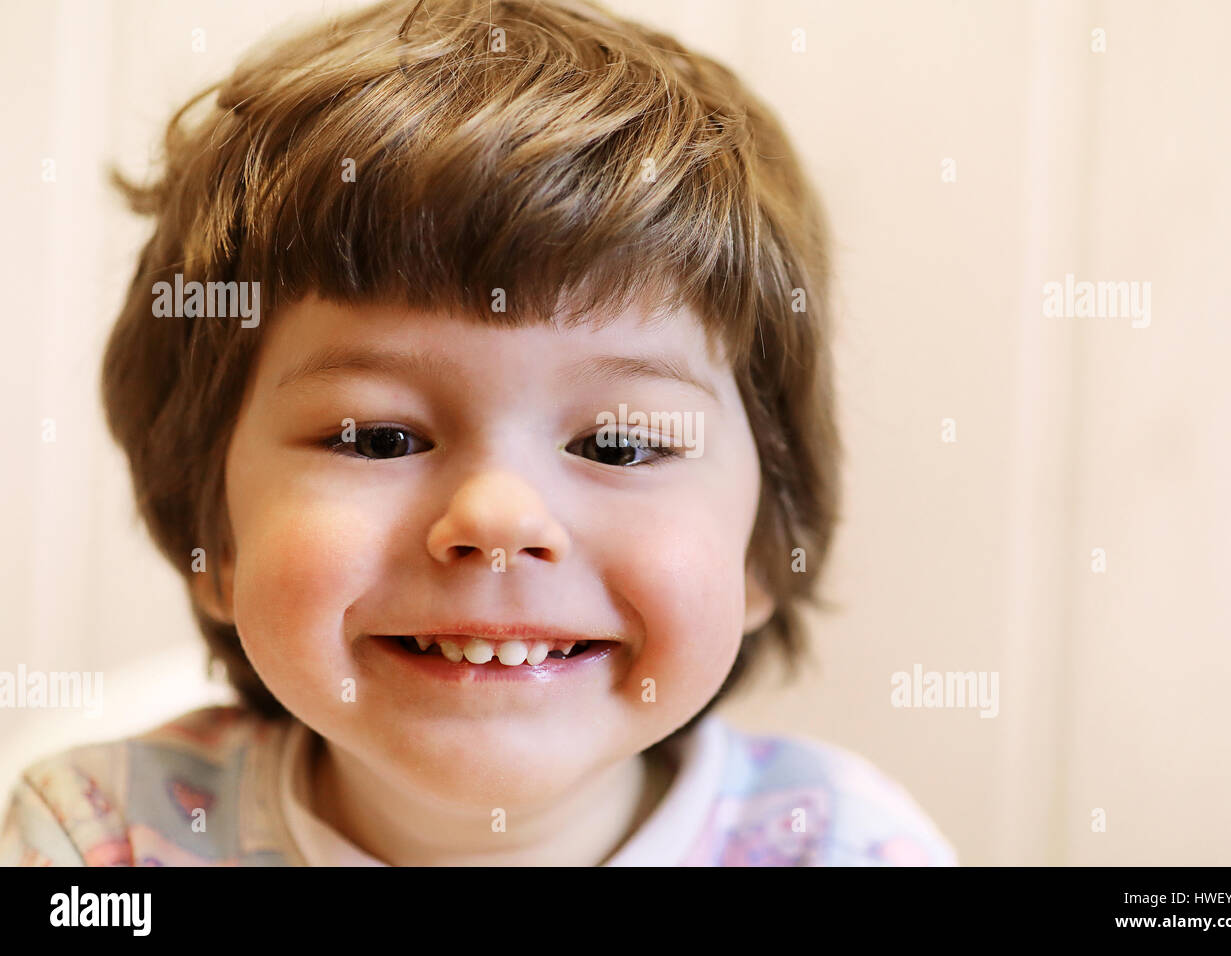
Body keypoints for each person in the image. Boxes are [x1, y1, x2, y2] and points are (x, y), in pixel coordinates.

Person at [1, 0, 956, 866]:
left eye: (618, 446)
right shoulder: (105, 835)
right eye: (376, 440)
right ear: (212, 537)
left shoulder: (843, 846)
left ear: (761, 545)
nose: (497, 518)